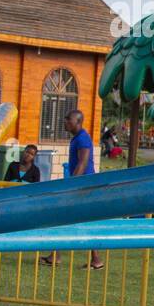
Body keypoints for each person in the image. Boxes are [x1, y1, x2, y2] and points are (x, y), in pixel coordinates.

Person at [43, 110, 102, 268]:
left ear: (78, 122)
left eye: (68, 119)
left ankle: (94, 259)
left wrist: (72, 185)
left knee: (64, 217)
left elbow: (83, 163)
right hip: (82, 186)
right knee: (66, 218)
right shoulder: (77, 138)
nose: (65, 122)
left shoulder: (82, 138)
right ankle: (58, 255)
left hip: (83, 187)